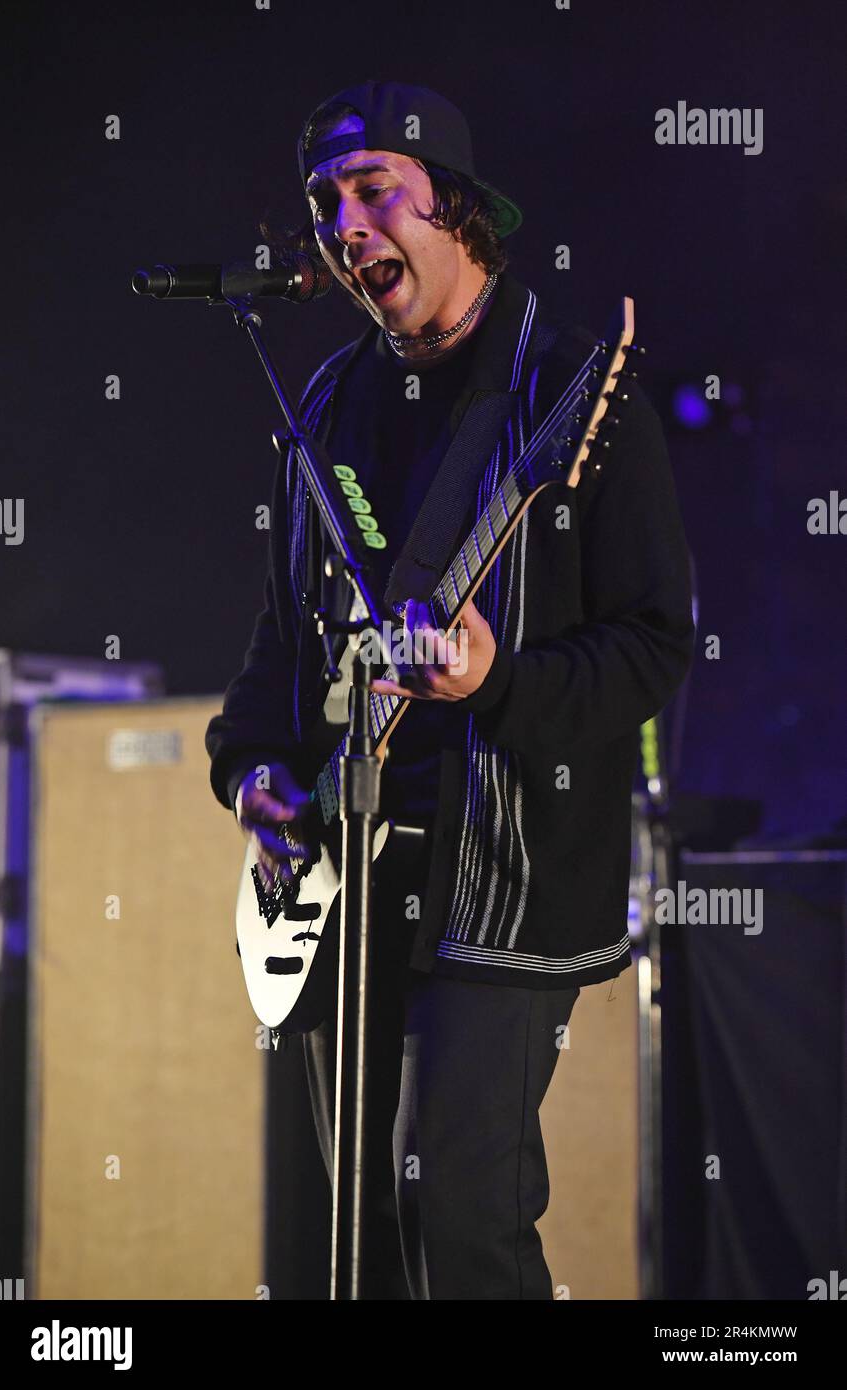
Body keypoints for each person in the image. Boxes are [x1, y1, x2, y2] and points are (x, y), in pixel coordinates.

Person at [205, 79, 695, 1300]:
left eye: (376, 191)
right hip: (346, 874)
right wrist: (251, 771)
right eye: (326, 201)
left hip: (506, 875)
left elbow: (651, 646)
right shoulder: (327, 402)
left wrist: (496, 682)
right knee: (359, 1238)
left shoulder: (573, 391)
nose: (344, 222)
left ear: (460, 216)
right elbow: (287, 637)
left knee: (463, 1223)